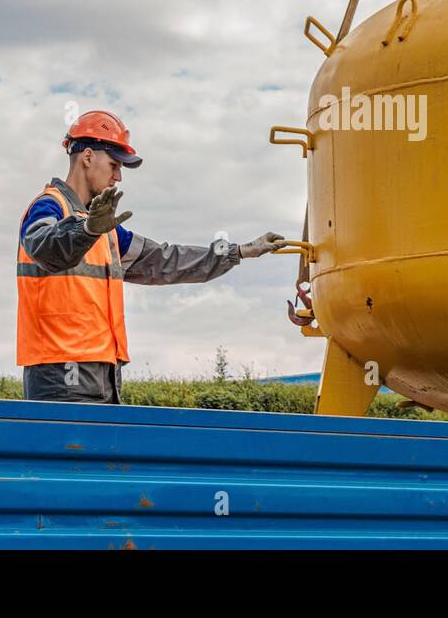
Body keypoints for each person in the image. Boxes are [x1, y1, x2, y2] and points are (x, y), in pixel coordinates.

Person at [16, 109, 285, 403]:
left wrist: (238, 252)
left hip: (104, 371)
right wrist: (88, 229)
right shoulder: (49, 208)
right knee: (70, 448)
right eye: (114, 165)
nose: (118, 177)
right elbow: (46, 249)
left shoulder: (105, 230)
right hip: (60, 372)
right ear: (88, 157)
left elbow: (163, 260)